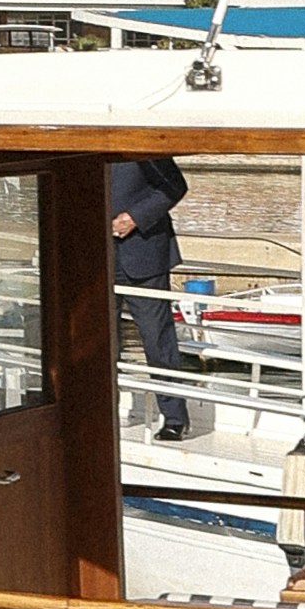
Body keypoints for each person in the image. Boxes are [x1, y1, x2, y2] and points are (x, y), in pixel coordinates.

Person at [107, 150, 192, 440]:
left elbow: (174, 186)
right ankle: (103, 414)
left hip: (144, 254)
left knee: (158, 339)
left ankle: (175, 418)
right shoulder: (84, 146)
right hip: (96, 256)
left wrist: (134, 217)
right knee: (102, 343)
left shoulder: (138, 145)